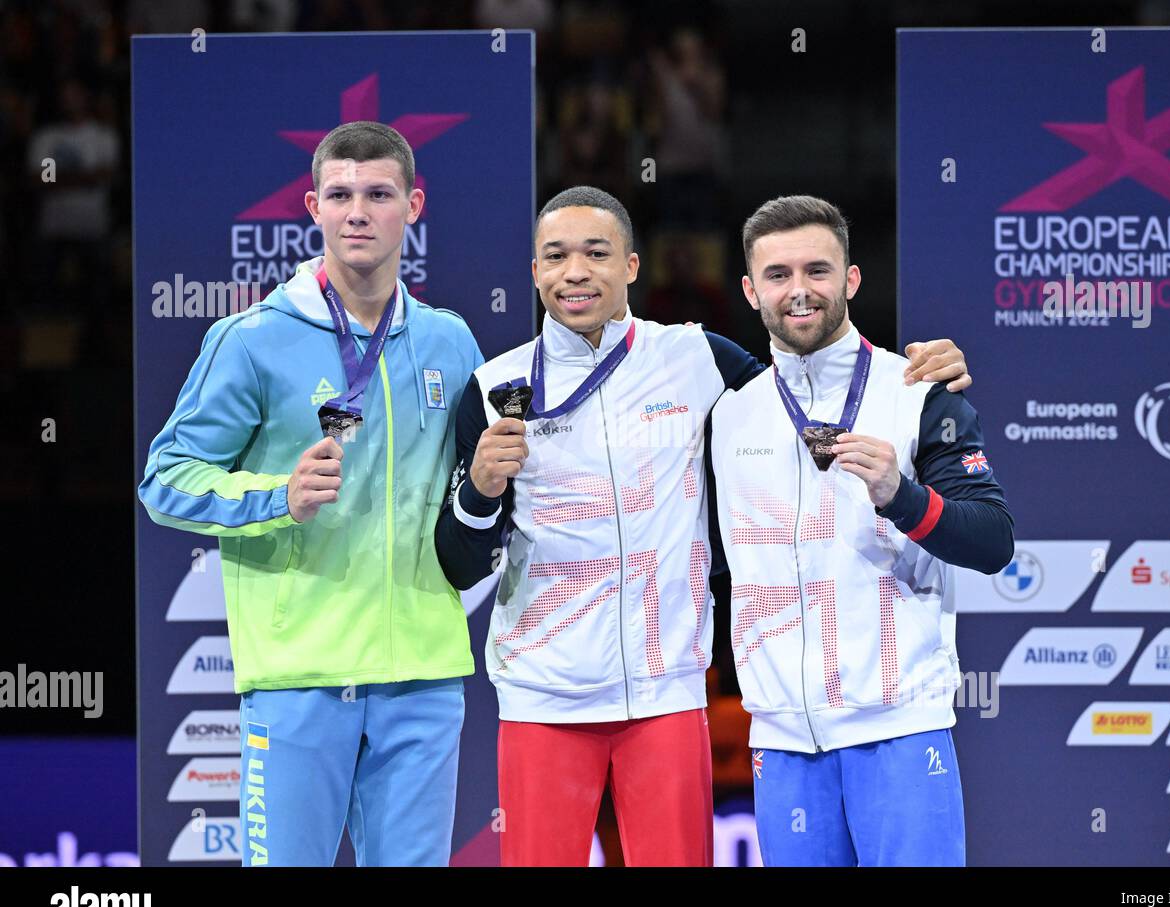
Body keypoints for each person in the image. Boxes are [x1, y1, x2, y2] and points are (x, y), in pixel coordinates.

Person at [435, 186, 973, 866]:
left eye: (597, 253)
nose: (577, 271)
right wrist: (481, 491)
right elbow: (459, 563)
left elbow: (804, 385)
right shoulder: (493, 387)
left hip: (667, 694)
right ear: (535, 272)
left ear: (632, 266)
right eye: (556, 256)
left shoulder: (695, 359)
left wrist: (919, 376)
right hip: (545, 698)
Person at [138, 122, 482, 866]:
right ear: (313, 207)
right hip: (301, 677)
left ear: (413, 206)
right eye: (341, 194)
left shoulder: (451, 343)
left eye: (379, 194)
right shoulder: (252, 339)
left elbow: (472, 492)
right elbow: (165, 480)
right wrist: (275, 496)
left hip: (423, 676)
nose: (359, 210)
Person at [710, 195, 1014, 866]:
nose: (800, 291)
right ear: (750, 289)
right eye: (779, 274)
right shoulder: (727, 412)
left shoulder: (919, 392)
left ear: (850, 279)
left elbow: (993, 542)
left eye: (818, 271)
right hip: (784, 744)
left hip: (899, 731)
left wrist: (901, 497)